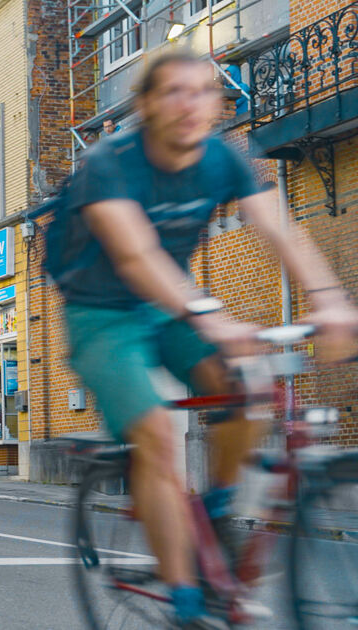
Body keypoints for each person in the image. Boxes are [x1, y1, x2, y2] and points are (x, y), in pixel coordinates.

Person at [53, 50, 358, 628]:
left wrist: (331, 300)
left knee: (248, 384)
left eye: (204, 92)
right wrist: (209, 315)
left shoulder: (223, 158)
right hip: (101, 314)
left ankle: (214, 512)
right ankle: (185, 598)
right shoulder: (110, 163)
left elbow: (280, 229)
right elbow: (137, 256)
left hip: (171, 307)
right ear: (145, 105)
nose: (191, 105)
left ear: (220, 105)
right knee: (154, 438)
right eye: (174, 92)